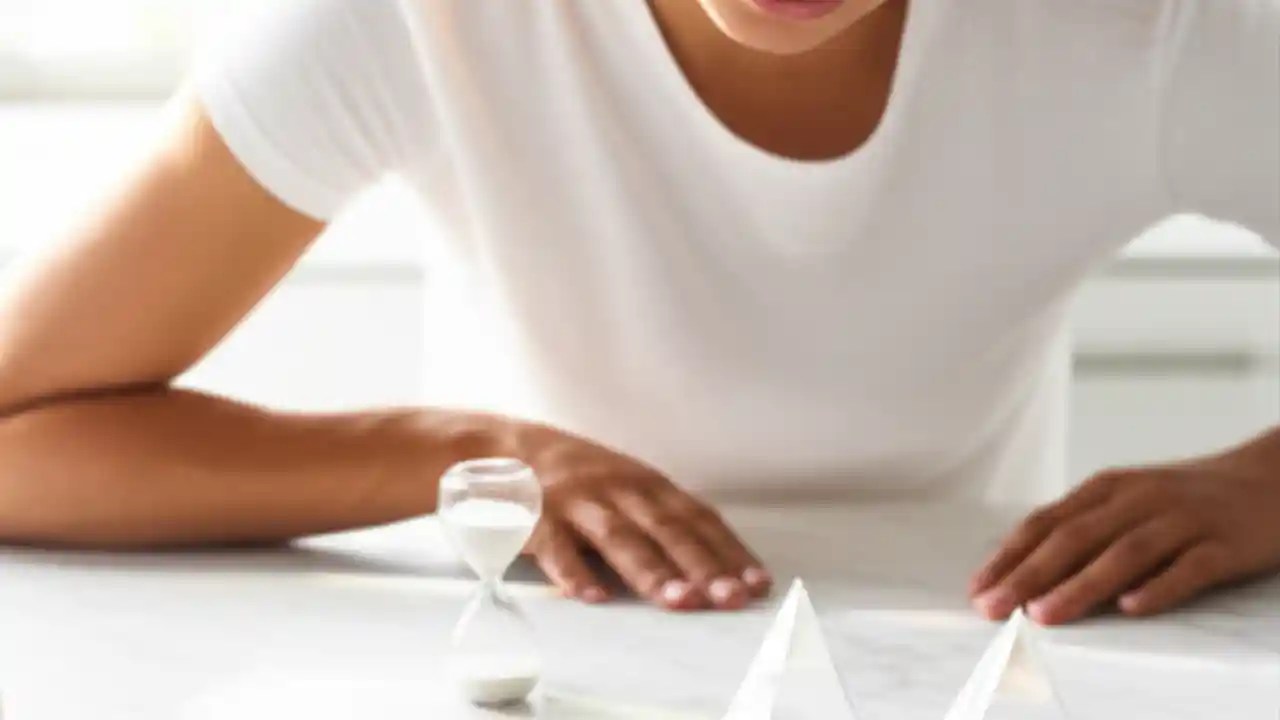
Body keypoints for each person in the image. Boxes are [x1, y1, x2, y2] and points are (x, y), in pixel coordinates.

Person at [0, 0, 1275, 626]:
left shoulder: (1139, 29)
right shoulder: (414, 17)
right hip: (538, 654)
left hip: (966, 650)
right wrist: (462, 455)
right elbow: (19, 426)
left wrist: (1264, 486)